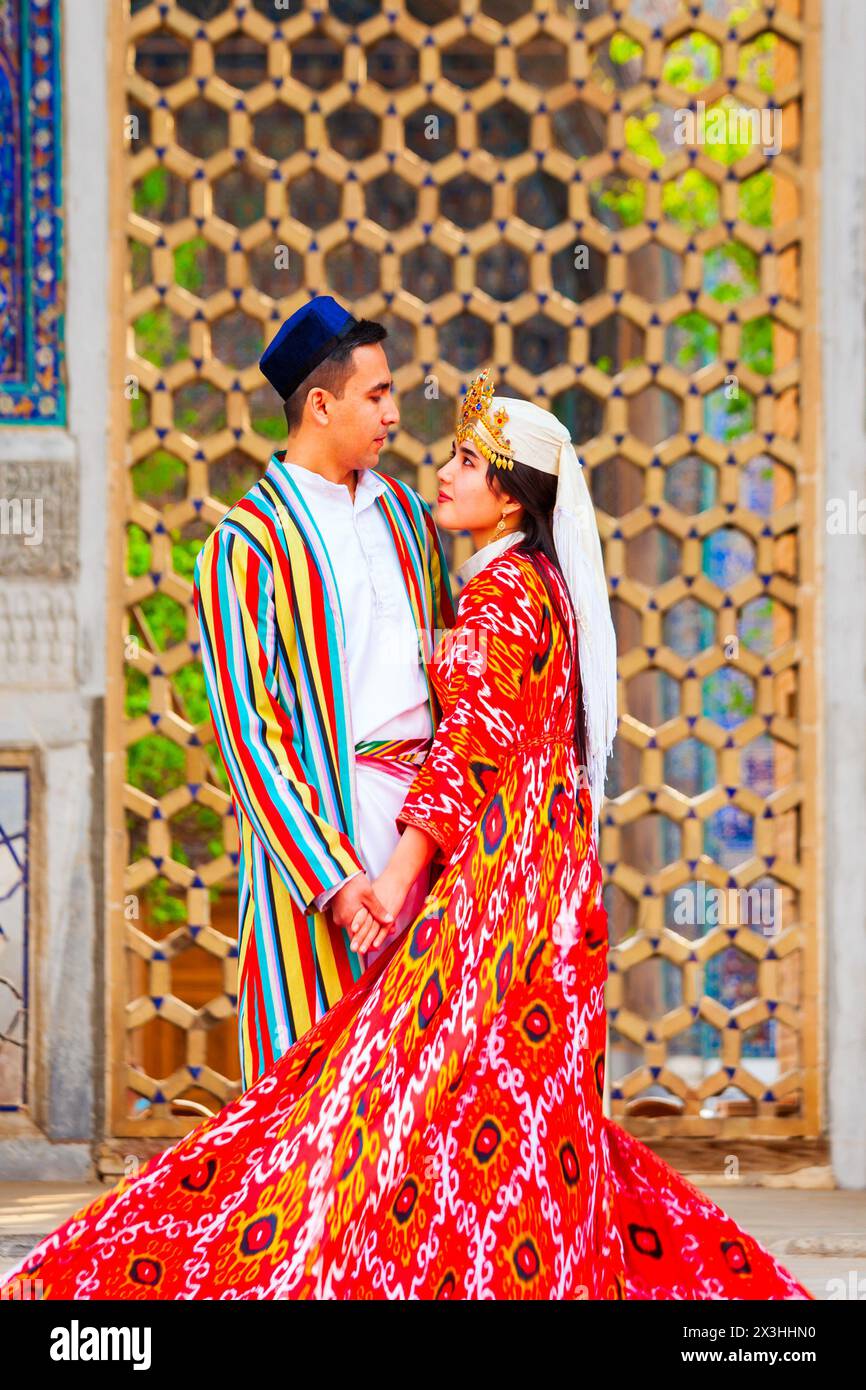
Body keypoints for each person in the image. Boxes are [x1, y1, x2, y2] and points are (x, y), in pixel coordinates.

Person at [0, 371, 813, 1301]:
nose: (429, 455)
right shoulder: (485, 575)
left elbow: (466, 752)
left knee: (365, 1101)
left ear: (508, 494)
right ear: (320, 403)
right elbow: (263, 725)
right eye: (383, 398)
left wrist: (394, 878)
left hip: (495, 897)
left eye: (466, 459)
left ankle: (170, 1268)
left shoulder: (491, 587)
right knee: (509, 1113)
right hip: (536, 892)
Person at [191, 296, 455, 1089]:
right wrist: (338, 885)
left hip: (425, 832)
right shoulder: (243, 544)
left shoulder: (409, 515)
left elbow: (447, 670)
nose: (393, 415)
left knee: (428, 1083)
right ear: (320, 404)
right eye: (376, 396)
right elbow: (249, 735)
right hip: (322, 851)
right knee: (321, 1096)